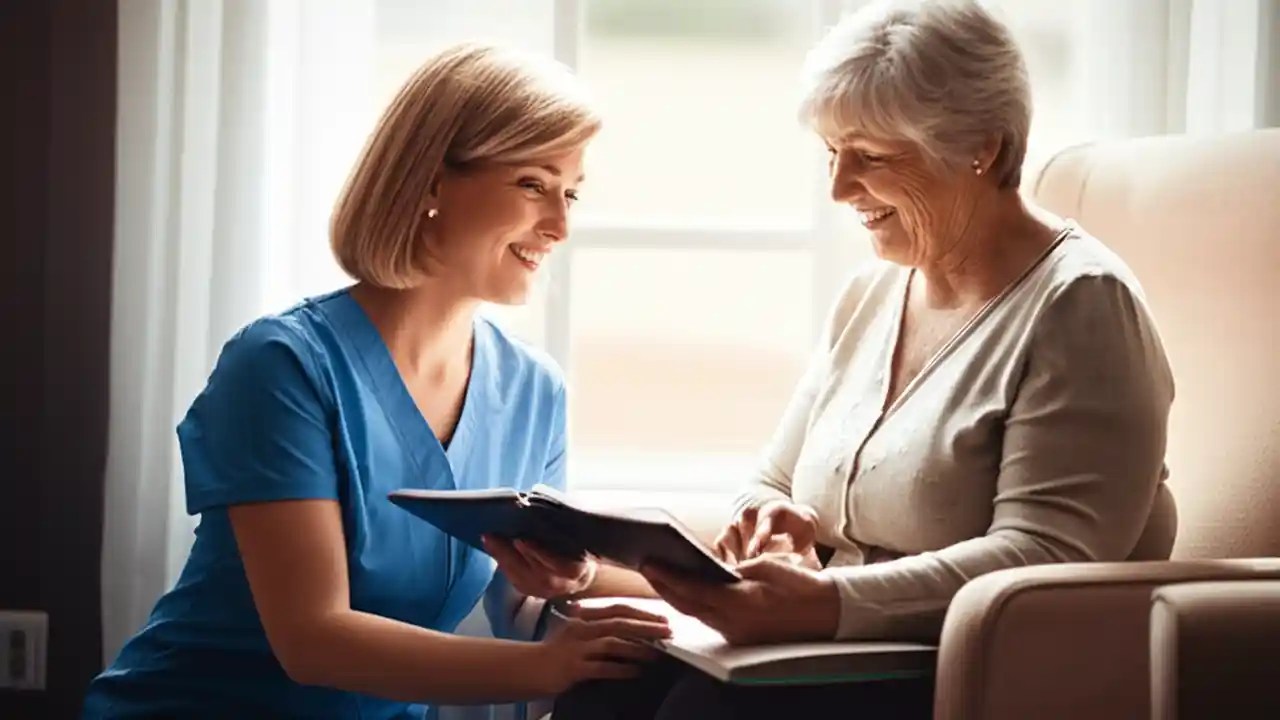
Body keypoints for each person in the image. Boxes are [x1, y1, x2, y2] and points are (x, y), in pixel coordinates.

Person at [554, 1, 1175, 717]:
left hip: (965, 667)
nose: (840, 189)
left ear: (986, 150)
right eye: (832, 154)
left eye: (872, 158)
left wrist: (825, 601)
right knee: (600, 684)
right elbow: (772, 478)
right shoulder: (873, 292)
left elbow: (1043, 561)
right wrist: (772, 518)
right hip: (828, 648)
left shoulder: (1082, 305)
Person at [82, 42, 671, 719]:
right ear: (431, 182)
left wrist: (577, 582)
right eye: (533, 184)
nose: (561, 225)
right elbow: (314, 640)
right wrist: (545, 666)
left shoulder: (535, 391)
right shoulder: (281, 366)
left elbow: (516, 603)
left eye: (571, 192)